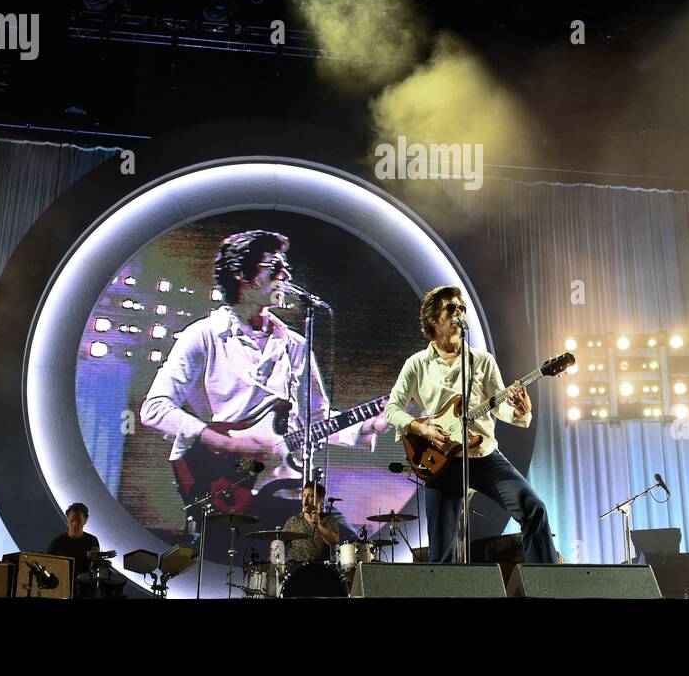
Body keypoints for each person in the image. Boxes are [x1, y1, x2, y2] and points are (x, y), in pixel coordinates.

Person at [141, 230, 385, 533]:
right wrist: (227, 443)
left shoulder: (295, 344)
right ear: (241, 273)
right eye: (274, 267)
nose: (285, 274)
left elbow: (314, 422)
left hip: (287, 487)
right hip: (226, 483)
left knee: (348, 550)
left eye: (286, 267)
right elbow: (154, 408)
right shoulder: (203, 335)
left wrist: (368, 425)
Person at [386, 286, 557, 565]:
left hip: (484, 455)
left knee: (533, 508)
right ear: (432, 320)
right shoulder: (416, 364)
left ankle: (549, 584)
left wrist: (519, 410)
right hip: (442, 460)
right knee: (442, 552)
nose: (458, 313)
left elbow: (497, 404)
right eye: (450, 309)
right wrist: (424, 429)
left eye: (461, 308)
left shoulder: (482, 360)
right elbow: (392, 410)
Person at [280, 480, 344, 564]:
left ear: (320, 500)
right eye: (304, 496)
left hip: (321, 569)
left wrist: (319, 525)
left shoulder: (328, 519)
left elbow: (334, 541)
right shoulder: (294, 520)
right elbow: (279, 542)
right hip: (296, 570)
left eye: (310, 496)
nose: (305, 500)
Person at [47, 502, 101, 584]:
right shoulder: (57, 542)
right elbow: (47, 565)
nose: (75, 524)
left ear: (85, 520)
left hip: (85, 588)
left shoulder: (92, 540)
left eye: (78, 521)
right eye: (72, 520)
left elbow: (96, 569)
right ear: (67, 519)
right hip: (62, 587)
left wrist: (97, 559)